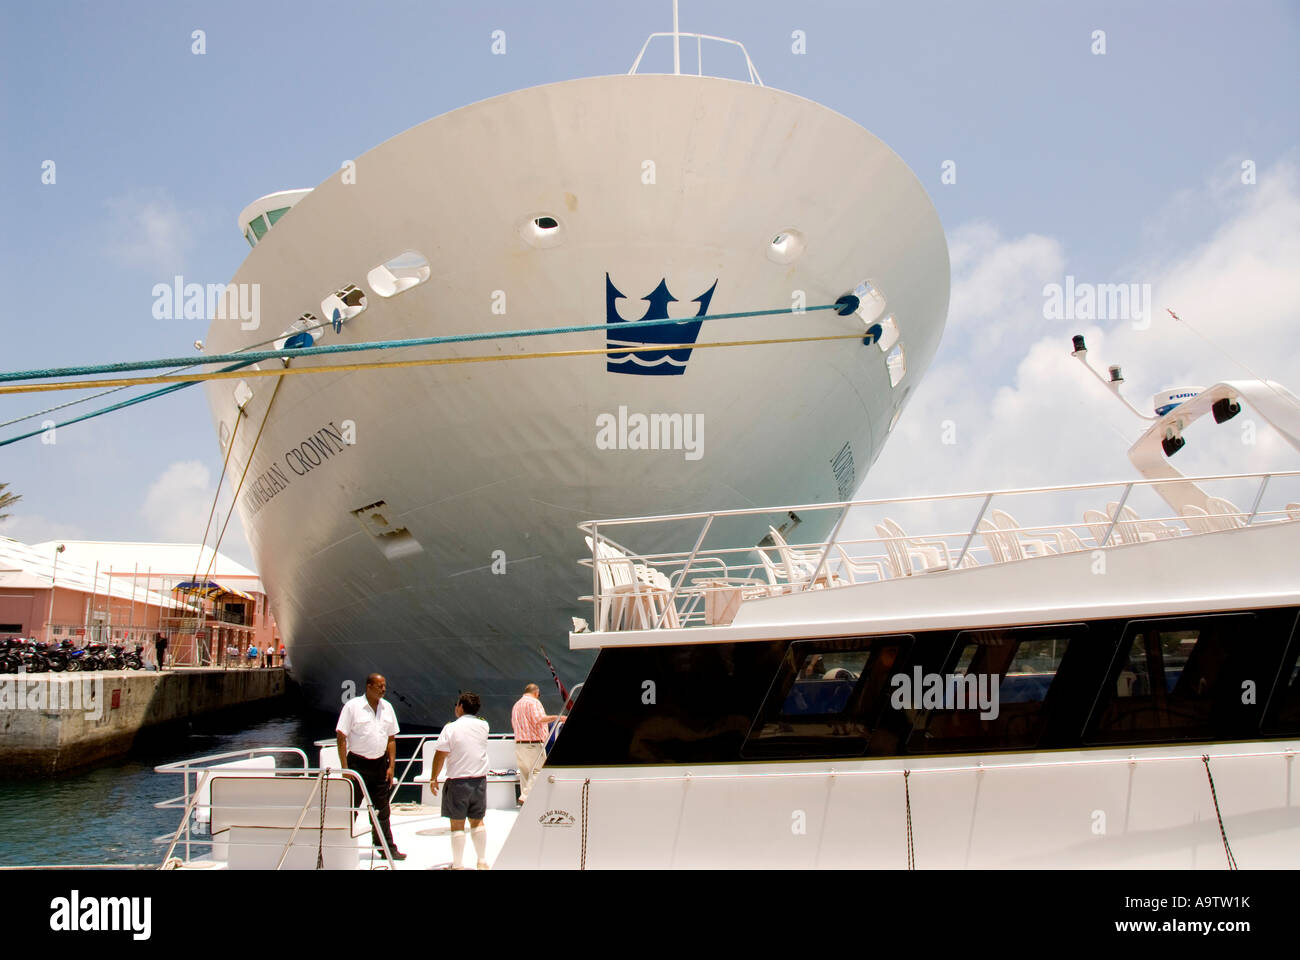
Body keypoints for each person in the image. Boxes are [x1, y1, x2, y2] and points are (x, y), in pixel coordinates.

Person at [336, 674, 405, 860]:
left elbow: (391, 738)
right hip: (357, 764)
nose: (383, 689)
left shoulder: (387, 708)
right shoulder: (353, 707)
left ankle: (386, 848)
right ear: (368, 686)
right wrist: (345, 769)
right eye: (379, 686)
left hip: (380, 765)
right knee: (351, 807)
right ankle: (338, 846)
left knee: (382, 809)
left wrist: (391, 766)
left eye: (384, 686)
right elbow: (341, 737)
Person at [430, 692, 490, 869]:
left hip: (458, 782)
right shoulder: (484, 725)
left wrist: (434, 777)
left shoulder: (451, 728)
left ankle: (457, 865)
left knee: (457, 823)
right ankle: (482, 861)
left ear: (461, 707)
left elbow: (440, 755)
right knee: (477, 820)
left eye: (457, 704)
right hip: (479, 780)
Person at [510, 683, 562, 806]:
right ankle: (524, 796)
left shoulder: (516, 705)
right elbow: (539, 719)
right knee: (538, 771)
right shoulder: (534, 702)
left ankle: (526, 805)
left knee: (525, 774)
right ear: (536, 692)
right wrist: (558, 717)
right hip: (533, 744)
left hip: (519, 744)